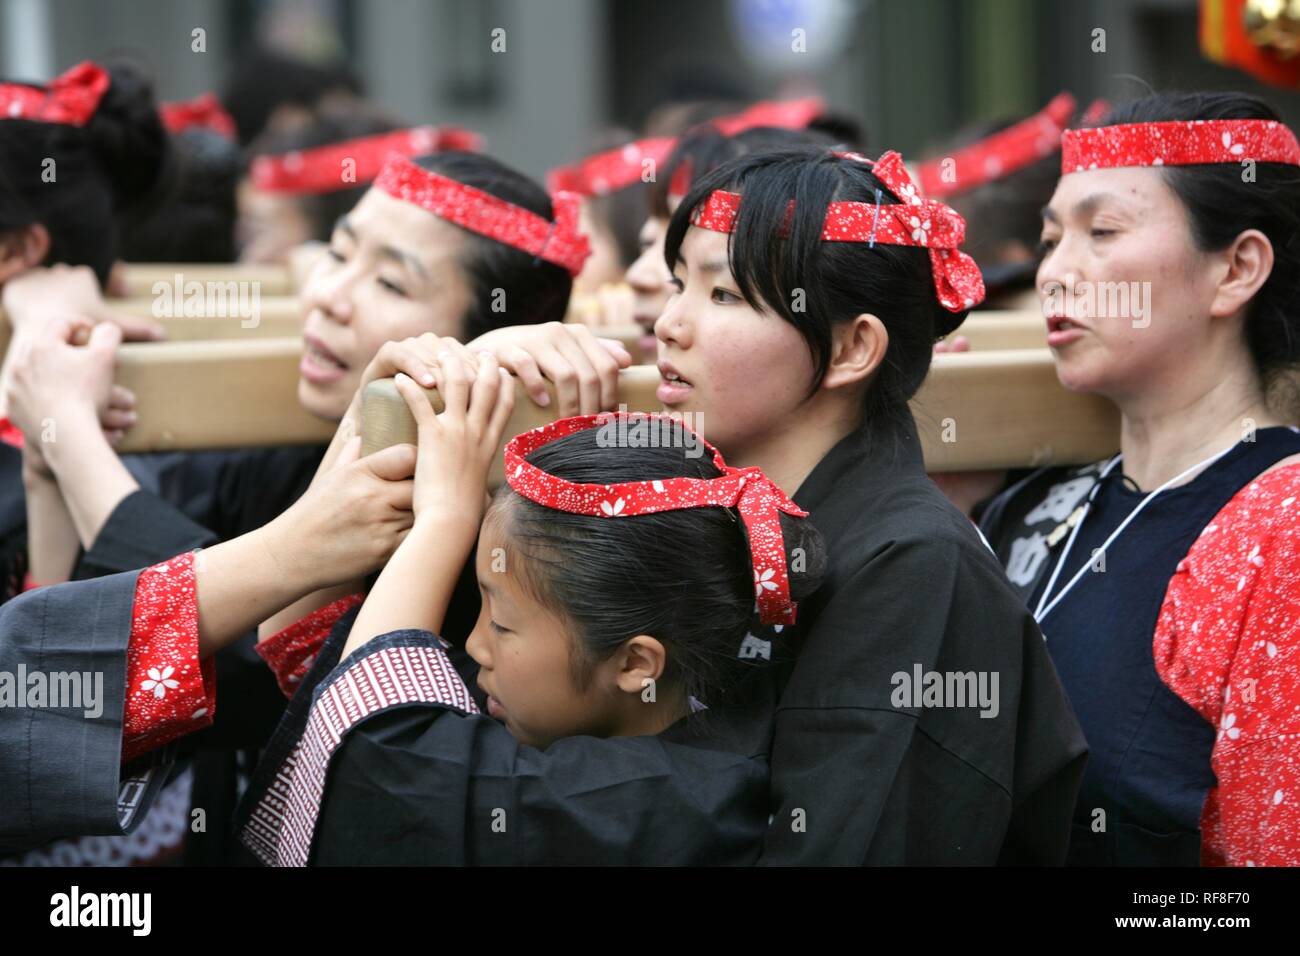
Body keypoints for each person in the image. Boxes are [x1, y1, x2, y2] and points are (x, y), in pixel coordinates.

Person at [265, 145, 1087, 863]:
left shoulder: (915, 566)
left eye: (723, 295)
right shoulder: (674, 493)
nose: (670, 325)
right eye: (676, 284)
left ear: (850, 348)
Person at [236, 358, 825, 865]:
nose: (471, 647)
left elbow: (378, 754)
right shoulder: (554, 691)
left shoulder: (672, 805)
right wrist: (377, 404)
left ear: (635, 663)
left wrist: (445, 520)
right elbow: (317, 669)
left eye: (500, 622)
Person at [978, 91, 1300, 867]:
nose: (1055, 272)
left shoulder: (1282, 529)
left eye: (1103, 232)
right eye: (1052, 238)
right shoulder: (1029, 502)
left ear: (1237, 268)